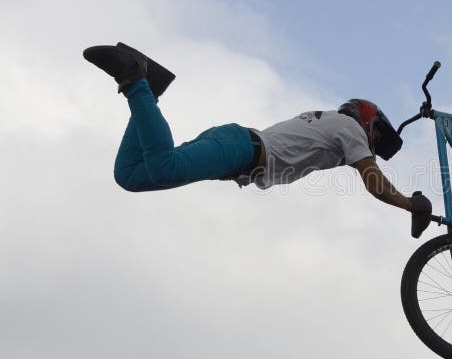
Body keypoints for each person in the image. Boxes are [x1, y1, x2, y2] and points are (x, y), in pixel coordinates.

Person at [83, 43, 432, 237]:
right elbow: (373, 181)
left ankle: (149, 87)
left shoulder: (332, 123)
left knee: (130, 175)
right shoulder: (350, 129)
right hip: (239, 150)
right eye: (374, 140)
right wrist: (408, 205)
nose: (369, 149)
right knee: (162, 167)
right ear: (368, 122)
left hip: (235, 148)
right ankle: (136, 77)